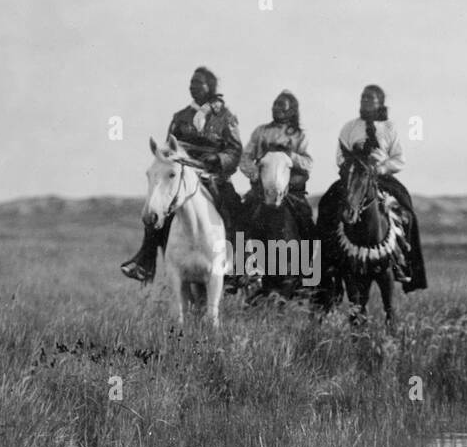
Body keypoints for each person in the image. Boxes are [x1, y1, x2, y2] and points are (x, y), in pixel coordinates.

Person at [121, 66, 242, 283]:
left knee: (233, 209)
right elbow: (168, 150)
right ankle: (145, 261)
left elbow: (235, 150)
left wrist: (218, 159)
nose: (193, 87)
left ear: (211, 87)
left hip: (212, 176)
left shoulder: (225, 117)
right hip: (183, 175)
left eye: (198, 83)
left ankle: (235, 266)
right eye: (191, 83)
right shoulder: (180, 117)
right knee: (157, 210)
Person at [324, 84, 428, 292]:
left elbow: (399, 159)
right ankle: (329, 266)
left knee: (406, 211)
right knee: (327, 206)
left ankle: (402, 261)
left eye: (370, 99)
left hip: (381, 178)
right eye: (363, 98)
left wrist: (381, 167)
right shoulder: (349, 127)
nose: (365, 101)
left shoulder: (389, 128)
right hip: (354, 177)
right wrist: (351, 166)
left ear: (380, 103)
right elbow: (339, 155)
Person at [240, 90, 315, 236]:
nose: (275, 108)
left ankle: (309, 256)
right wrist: (254, 173)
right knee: (242, 216)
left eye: (281, 105)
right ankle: (239, 255)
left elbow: (308, 163)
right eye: (274, 104)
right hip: (261, 190)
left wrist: (290, 156)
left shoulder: (299, 136)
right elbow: (245, 157)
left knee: (306, 220)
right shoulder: (261, 131)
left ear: (291, 110)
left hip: (291, 191)